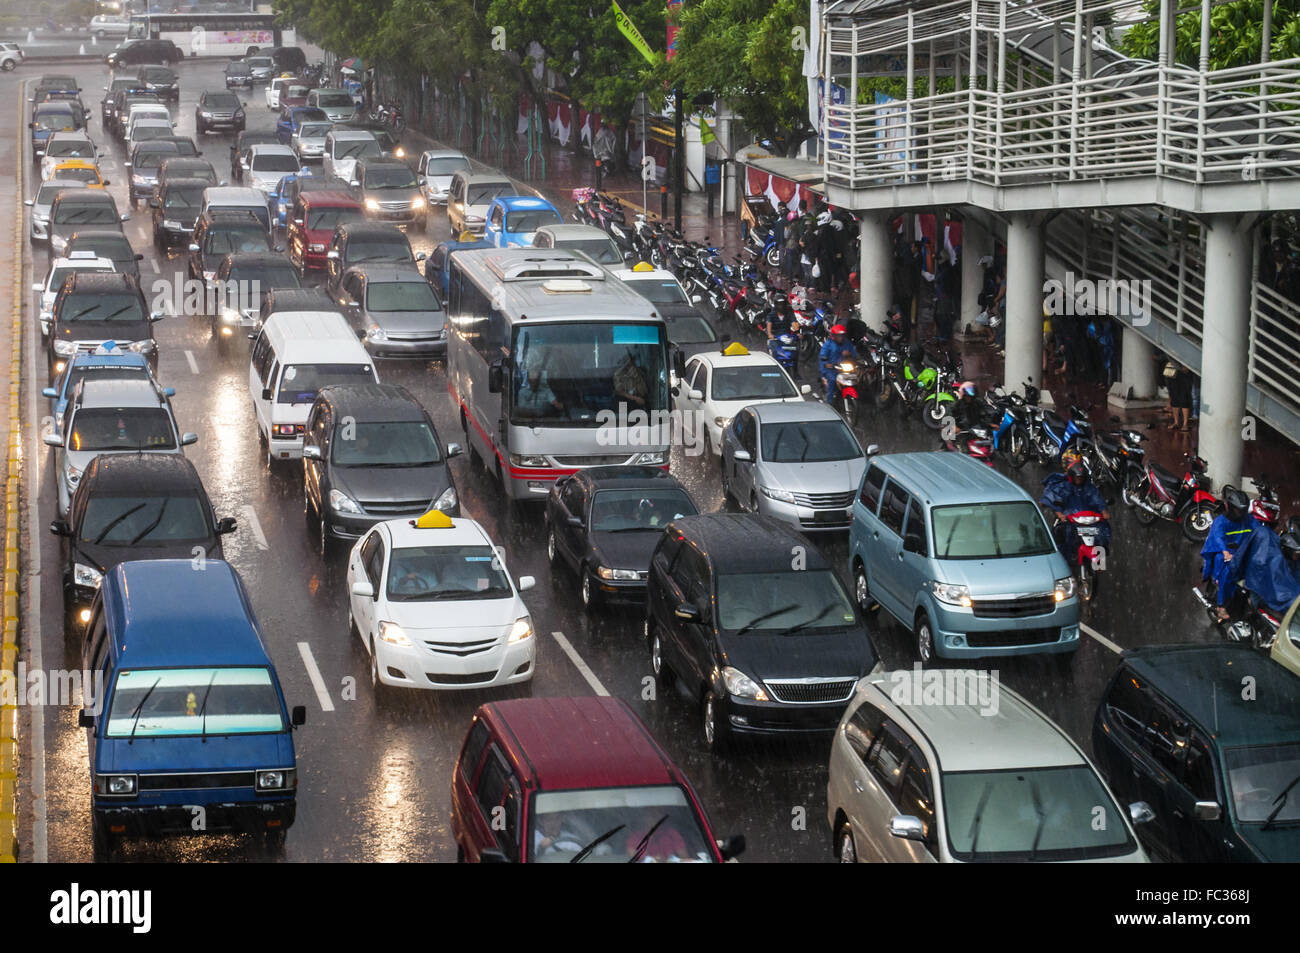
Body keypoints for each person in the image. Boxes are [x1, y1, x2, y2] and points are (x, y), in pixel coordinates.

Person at [1201, 487, 1255, 620]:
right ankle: (1221, 605)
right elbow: (1218, 538)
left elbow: (1259, 529)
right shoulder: (1221, 521)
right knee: (1227, 571)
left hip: (1242, 552)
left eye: (1243, 510)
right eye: (1238, 510)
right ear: (1231, 507)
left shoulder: (1247, 519)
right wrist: (1225, 551)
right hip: (1225, 554)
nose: (1241, 513)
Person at [1040, 460, 1112, 558]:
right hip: (1069, 518)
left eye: (1081, 478)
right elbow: (1053, 499)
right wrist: (1060, 514)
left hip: (1088, 518)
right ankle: (1062, 558)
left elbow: (1097, 499)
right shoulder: (1064, 487)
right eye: (1077, 478)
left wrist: (1104, 512)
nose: (1080, 480)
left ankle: (1099, 557)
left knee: (1102, 531)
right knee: (1059, 533)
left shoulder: (1089, 487)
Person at [624, 808, 691, 862]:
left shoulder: (671, 834)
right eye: (651, 815)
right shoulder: (635, 838)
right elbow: (633, 858)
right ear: (644, 817)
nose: (654, 818)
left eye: (657, 814)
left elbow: (684, 857)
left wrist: (667, 860)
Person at [819, 324, 855, 404]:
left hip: (843, 368)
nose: (841, 338)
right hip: (831, 369)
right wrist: (826, 363)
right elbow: (823, 356)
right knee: (832, 381)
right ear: (834, 336)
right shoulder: (828, 344)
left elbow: (854, 354)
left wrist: (849, 354)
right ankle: (829, 403)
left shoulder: (847, 343)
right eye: (839, 336)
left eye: (842, 336)